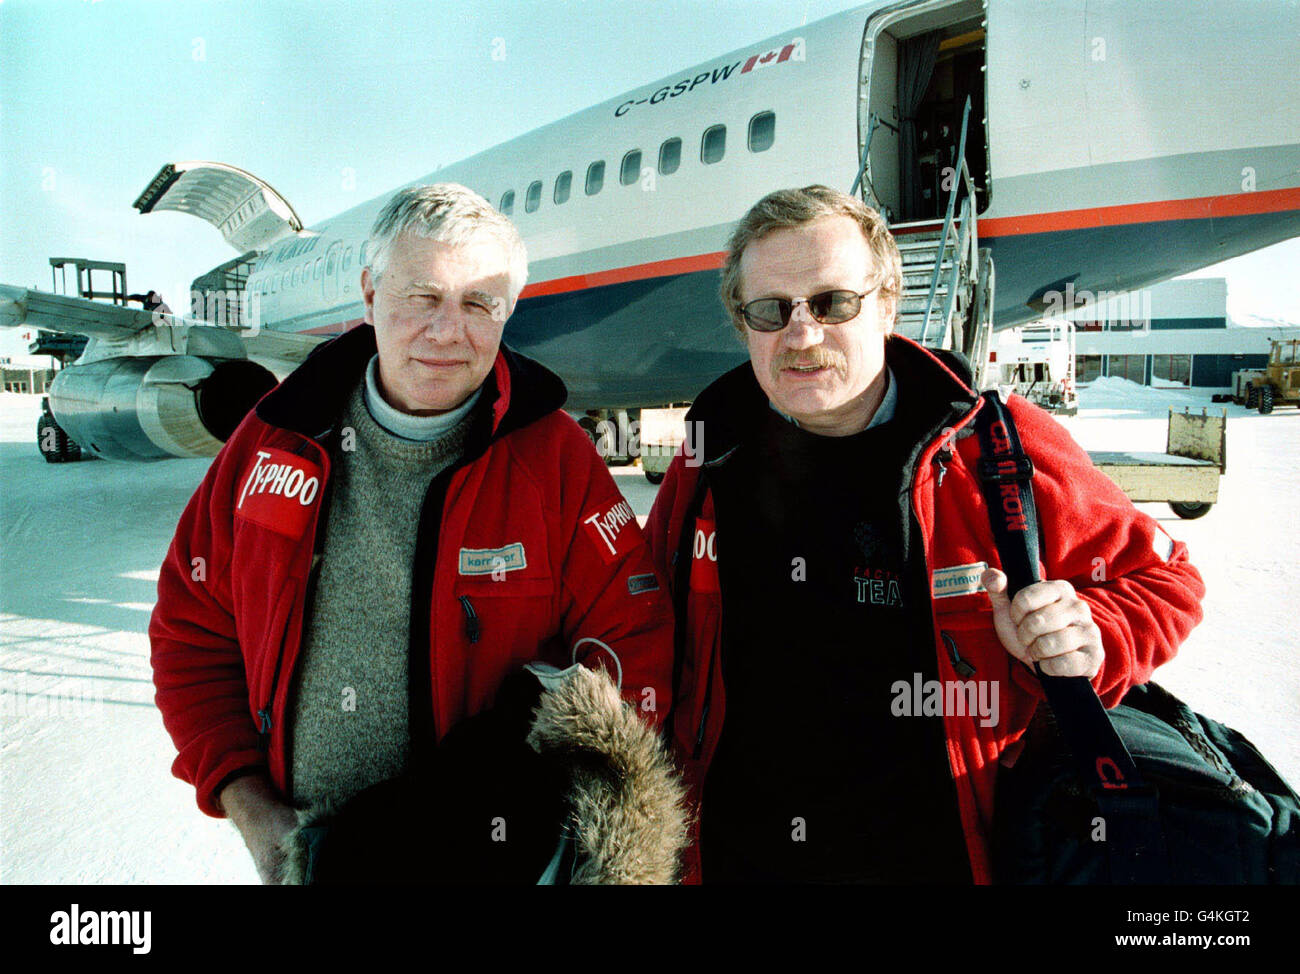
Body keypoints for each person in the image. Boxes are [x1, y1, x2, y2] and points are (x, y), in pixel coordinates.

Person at [644, 184, 1206, 884]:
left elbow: (1165, 579)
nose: (800, 334)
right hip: (739, 859)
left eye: (831, 303)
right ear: (742, 324)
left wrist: (1092, 633)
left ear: (885, 305)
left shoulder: (995, 447)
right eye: (770, 310)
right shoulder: (707, 457)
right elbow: (644, 626)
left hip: (937, 857)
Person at [150, 184, 676, 883]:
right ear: (369, 296)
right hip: (310, 865)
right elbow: (192, 632)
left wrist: (558, 817)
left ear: (507, 312)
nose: (446, 331)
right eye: (421, 296)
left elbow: (633, 644)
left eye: (478, 304)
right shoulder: (274, 440)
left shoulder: (555, 459)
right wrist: (248, 805)